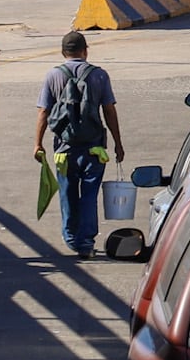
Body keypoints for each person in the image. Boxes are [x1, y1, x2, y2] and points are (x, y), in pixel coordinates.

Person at [35, 31, 125, 259]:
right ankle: (86, 242)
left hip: (64, 150)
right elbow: (109, 110)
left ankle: (71, 237)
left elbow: (44, 111)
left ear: (63, 52)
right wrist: (117, 142)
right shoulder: (99, 76)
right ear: (85, 51)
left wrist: (37, 143)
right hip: (94, 148)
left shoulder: (53, 75)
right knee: (89, 195)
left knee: (67, 192)